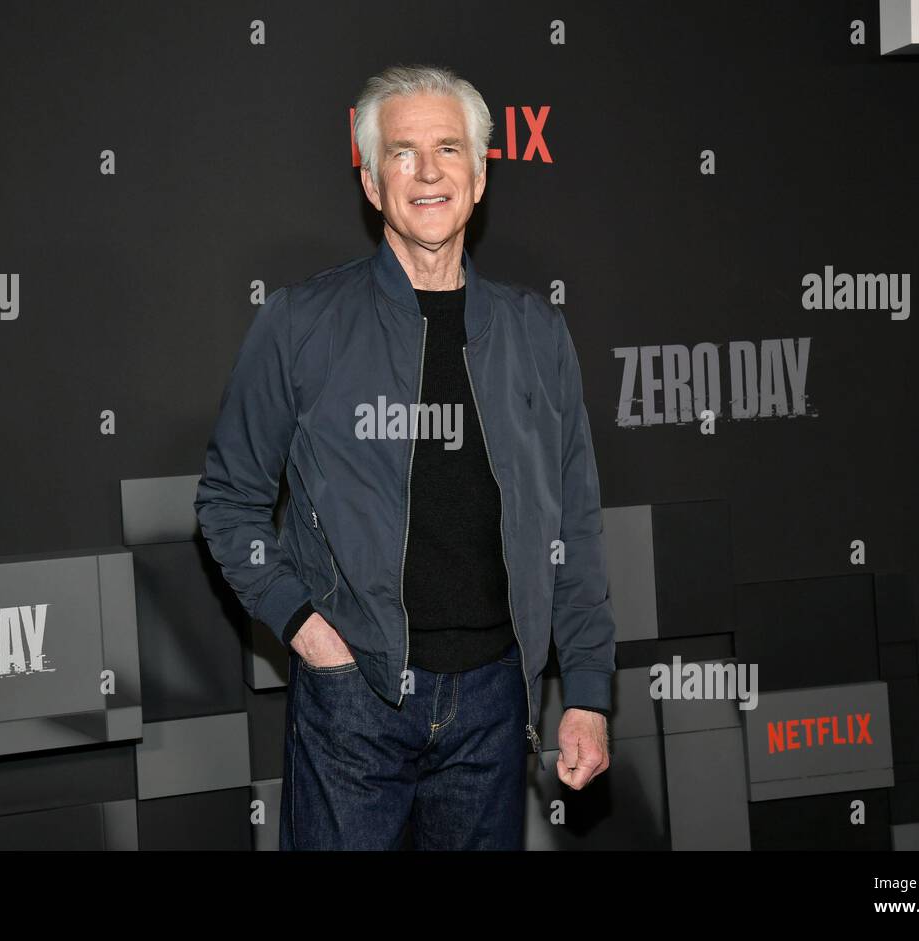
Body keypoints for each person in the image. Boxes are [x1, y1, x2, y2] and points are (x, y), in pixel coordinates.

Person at [194, 63, 616, 850]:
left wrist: (586, 691)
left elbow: (577, 528)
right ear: (371, 180)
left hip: (496, 704)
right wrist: (310, 633)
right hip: (356, 700)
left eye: (449, 148)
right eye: (402, 152)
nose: (428, 172)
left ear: (481, 175)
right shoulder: (300, 323)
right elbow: (227, 502)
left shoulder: (535, 333)